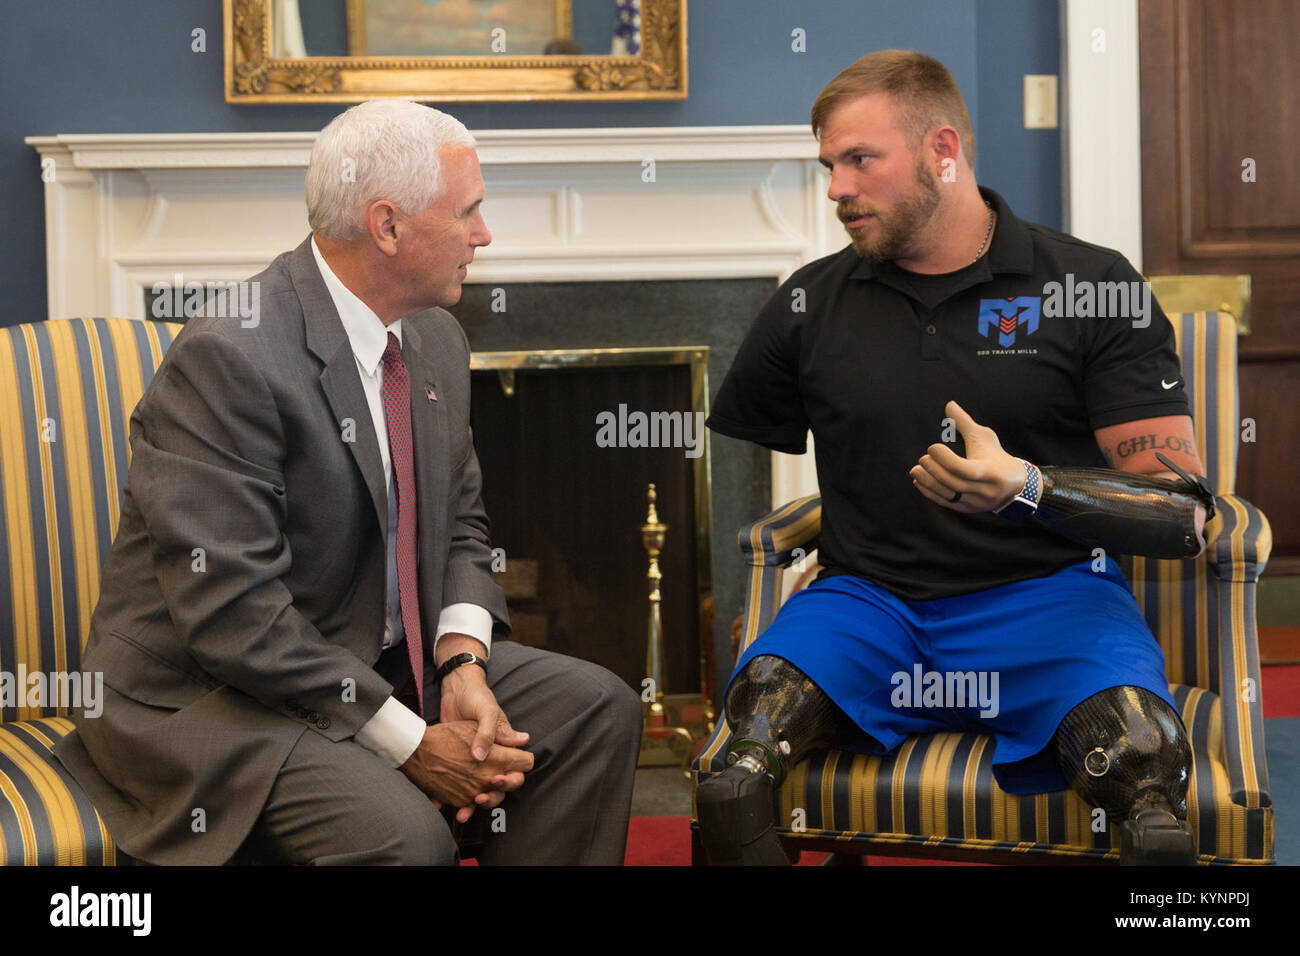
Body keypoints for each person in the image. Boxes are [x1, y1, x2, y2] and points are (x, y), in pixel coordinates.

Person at [55, 100, 642, 866]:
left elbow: (461, 519)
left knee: (598, 710)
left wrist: (461, 660)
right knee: (406, 837)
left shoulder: (433, 336)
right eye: (468, 212)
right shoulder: (230, 357)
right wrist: (412, 742)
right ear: (387, 225)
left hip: (372, 657)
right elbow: (234, 616)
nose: (484, 234)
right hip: (216, 697)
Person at [697, 50, 1217, 866]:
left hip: (1051, 600)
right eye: (828, 164)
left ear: (944, 151)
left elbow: (1182, 512)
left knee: (1146, 775)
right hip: (870, 606)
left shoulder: (1089, 286)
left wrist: (1030, 488)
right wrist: (771, 606)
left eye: (860, 160)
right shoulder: (807, 303)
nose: (836, 187)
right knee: (733, 772)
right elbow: (747, 485)